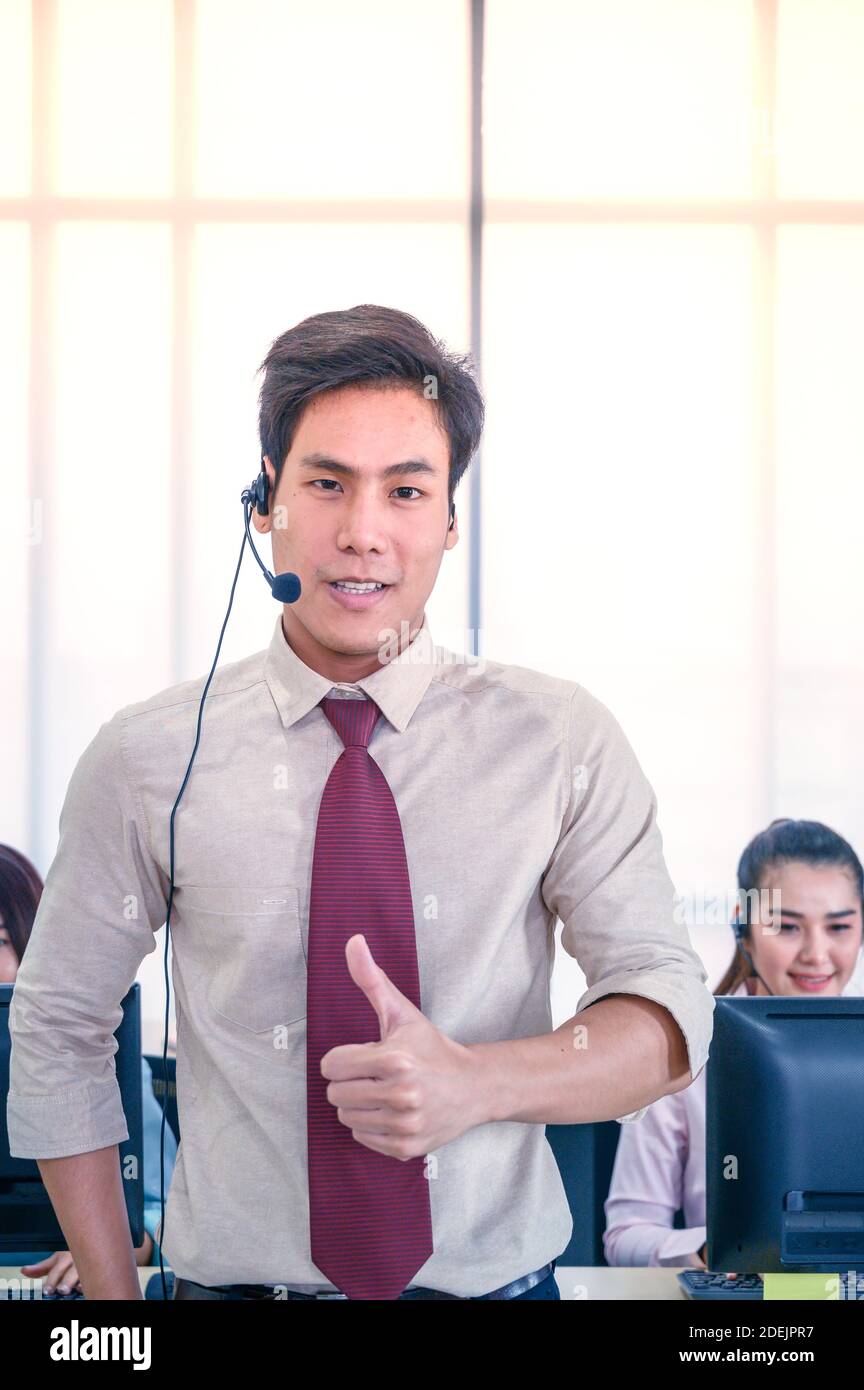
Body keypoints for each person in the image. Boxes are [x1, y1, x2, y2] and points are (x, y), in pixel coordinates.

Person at [7, 303, 714, 1301]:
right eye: (326, 483)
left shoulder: (559, 742)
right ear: (265, 503)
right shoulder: (146, 758)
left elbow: (669, 1009)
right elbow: (59, 1024)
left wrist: (478, 1081)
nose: (363, 532)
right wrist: (122, 1308)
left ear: (452, 520)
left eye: (408, 490)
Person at [603, 818, 864, 1269]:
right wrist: (718, 1246)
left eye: (839, 928)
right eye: (787, 926)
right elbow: (626, 1237)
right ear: (743, 929)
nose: (817, 954)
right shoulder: (687, 1052)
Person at [0, 844, 177, 1292]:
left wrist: (126, 1246)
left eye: (0, 940)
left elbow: (165, 1207)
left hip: (61, 1286)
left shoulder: (97, 1054)